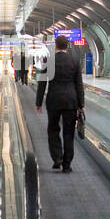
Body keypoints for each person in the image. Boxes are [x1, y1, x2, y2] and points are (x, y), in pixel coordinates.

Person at [35, 34, 84, 172]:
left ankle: (57, 157)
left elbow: (42, 82)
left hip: (54, 100)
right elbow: (79, 84)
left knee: (53, 129)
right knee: (68, 132)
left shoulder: (49, 61)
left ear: (55, 46)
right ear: (67, 46)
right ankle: (67, 164)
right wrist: (81, 105)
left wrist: (38, 102)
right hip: (71, 101)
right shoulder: (74, 61)